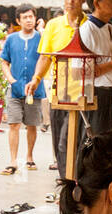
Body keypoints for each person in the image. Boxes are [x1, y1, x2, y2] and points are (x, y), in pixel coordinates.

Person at [28, 0, 84, 173]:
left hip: (84, 95)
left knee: (75, 143)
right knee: (60, 143)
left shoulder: (89, 25)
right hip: (58, 93)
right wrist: (36, 79)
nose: (71, 2)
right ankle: (64, 183)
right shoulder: (53, 25)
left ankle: (75, 183)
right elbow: (45, 57)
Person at [0, 3, 44, 175]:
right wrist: (11, 80)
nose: (28, 20)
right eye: (24, 17)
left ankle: (30, 157)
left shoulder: (41, 38)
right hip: (15, 89)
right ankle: (12, 160)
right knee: (14, 124)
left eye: (31, 16)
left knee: (32, 125)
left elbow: (45, 60)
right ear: (18, 20)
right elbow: (4, 62)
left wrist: (36, 80)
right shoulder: (11, 39)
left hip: (35, 89)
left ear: (35, 18)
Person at [79, 0, 112, 135]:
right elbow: (80, 72)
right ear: (97, 3)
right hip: (98, 94)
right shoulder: (87, 30)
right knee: (97, 144)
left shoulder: (111, 28)